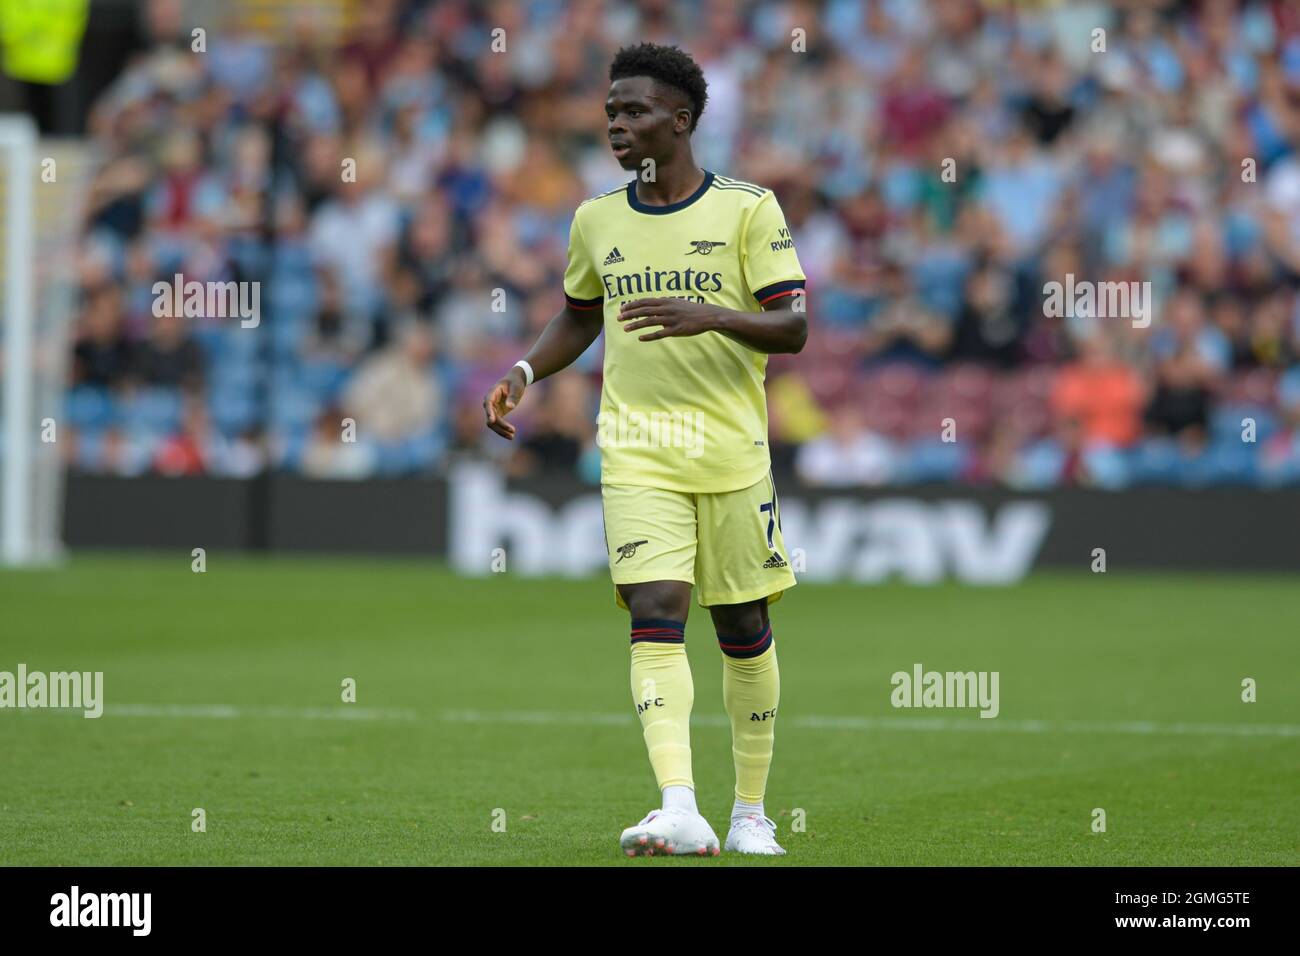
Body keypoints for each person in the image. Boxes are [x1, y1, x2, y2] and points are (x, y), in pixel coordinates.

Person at [482, 42, 806, 857]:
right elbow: (580, 316)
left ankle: (751, 814)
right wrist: (525, 370)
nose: (617, 125)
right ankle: (678, 804)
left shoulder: (747, 209)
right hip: (636, 449)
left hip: (731, 453)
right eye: (611, 113)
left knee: (741, 625)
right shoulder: (597, 219)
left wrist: (714, 315)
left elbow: (794, 325)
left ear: (682, 119)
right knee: (656, 610)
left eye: (634, 112)